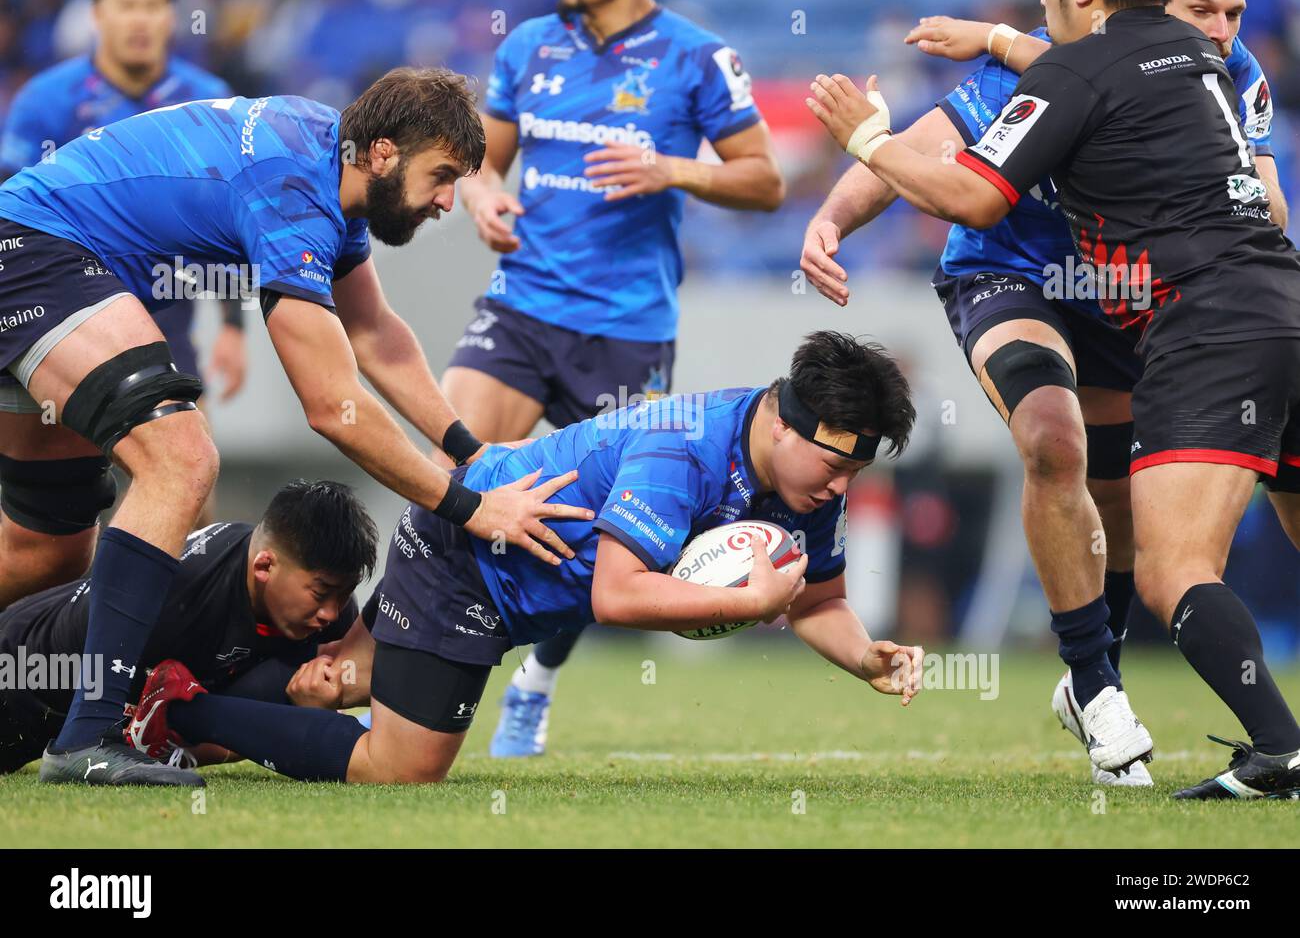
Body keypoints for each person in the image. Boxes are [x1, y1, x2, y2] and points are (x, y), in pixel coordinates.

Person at [0, 66, 594, 786]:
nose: (448, 201)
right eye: (441, 176)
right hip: (35, 255)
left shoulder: (326, 165)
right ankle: (89, 738)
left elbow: (373, 331)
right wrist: (469, 506)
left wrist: (468, 448)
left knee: (46, 551)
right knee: (181, 458)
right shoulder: (293, 192)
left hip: (44, 259)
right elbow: (332, 407)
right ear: (381, 153)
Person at [807, 0, 1300, 798]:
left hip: (1150, 302)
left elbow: (1102, 85)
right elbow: (940, 159)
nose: (1219, 31)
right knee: (1051, 437)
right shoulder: (1117, 64)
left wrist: (868, 134)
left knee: (1132, 519)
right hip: (1025, 280)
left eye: (1234, 14)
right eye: (1202, 10)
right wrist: (831, 218)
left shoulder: (1206, 65)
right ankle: (1099, 684)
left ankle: (1207, 721)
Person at [127, 332, 925, 785]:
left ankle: (176, 706)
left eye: (857, 471)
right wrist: (748, 606)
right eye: (835, 466)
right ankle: (178, 709)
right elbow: (618, 597)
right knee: (400, 770)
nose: (841, 486)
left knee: (333, 683)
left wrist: (867, 657)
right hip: (464, 557)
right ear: (784, 424)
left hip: (511, 585)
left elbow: (816, 600)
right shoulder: (682, 452)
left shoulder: (808, 485)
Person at [451, 0, 785, 757]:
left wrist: (673, 169)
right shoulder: (528, 45)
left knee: (597, 530)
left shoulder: (698, 57)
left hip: (627, 330)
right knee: (454, 475)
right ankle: (401, 675)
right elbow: (481, 164)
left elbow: (764, 180)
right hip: (522, 308)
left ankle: (536, 680)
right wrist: (483, 200)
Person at [0, 0, 247, 609]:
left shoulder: (207, 100)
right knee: (47, 524)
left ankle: (144, 664)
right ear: (97, 15)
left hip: (165, 328)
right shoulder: (47, 100)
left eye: (152, 5)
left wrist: (234, 327)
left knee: (188, 489)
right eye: (125, 4)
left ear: (171, 17)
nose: (139, 19)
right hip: (51, 325)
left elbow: (232, 218)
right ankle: (50, 648)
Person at [0, 479, 377, 781]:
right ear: (265, 567)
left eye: (343, 594)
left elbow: (176, 728)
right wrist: (297, 718)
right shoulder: (181, 596)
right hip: (19, 673)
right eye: (321, 592)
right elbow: (158, 725)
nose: (331, 612)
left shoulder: (324, 617)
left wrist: (309, 707)